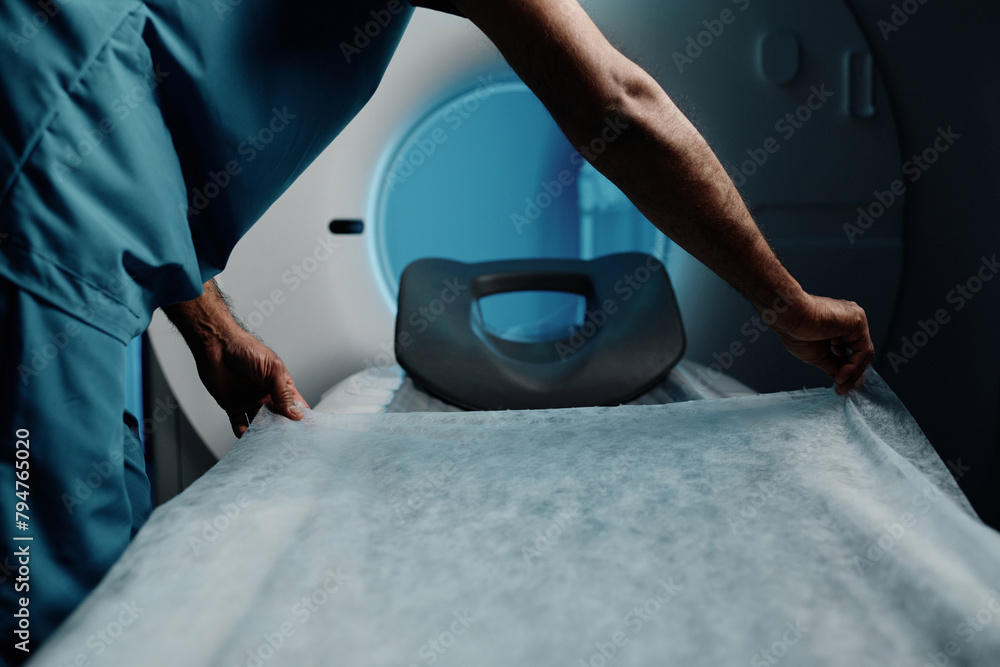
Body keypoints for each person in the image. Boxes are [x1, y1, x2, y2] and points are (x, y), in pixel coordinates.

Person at [0, 0, 873, 663]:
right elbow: (618, 101)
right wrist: (782, 299)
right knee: (47, 587)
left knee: (101, 545)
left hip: (82, 161)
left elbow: (145, 107)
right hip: (55, 156)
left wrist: (212, 326)